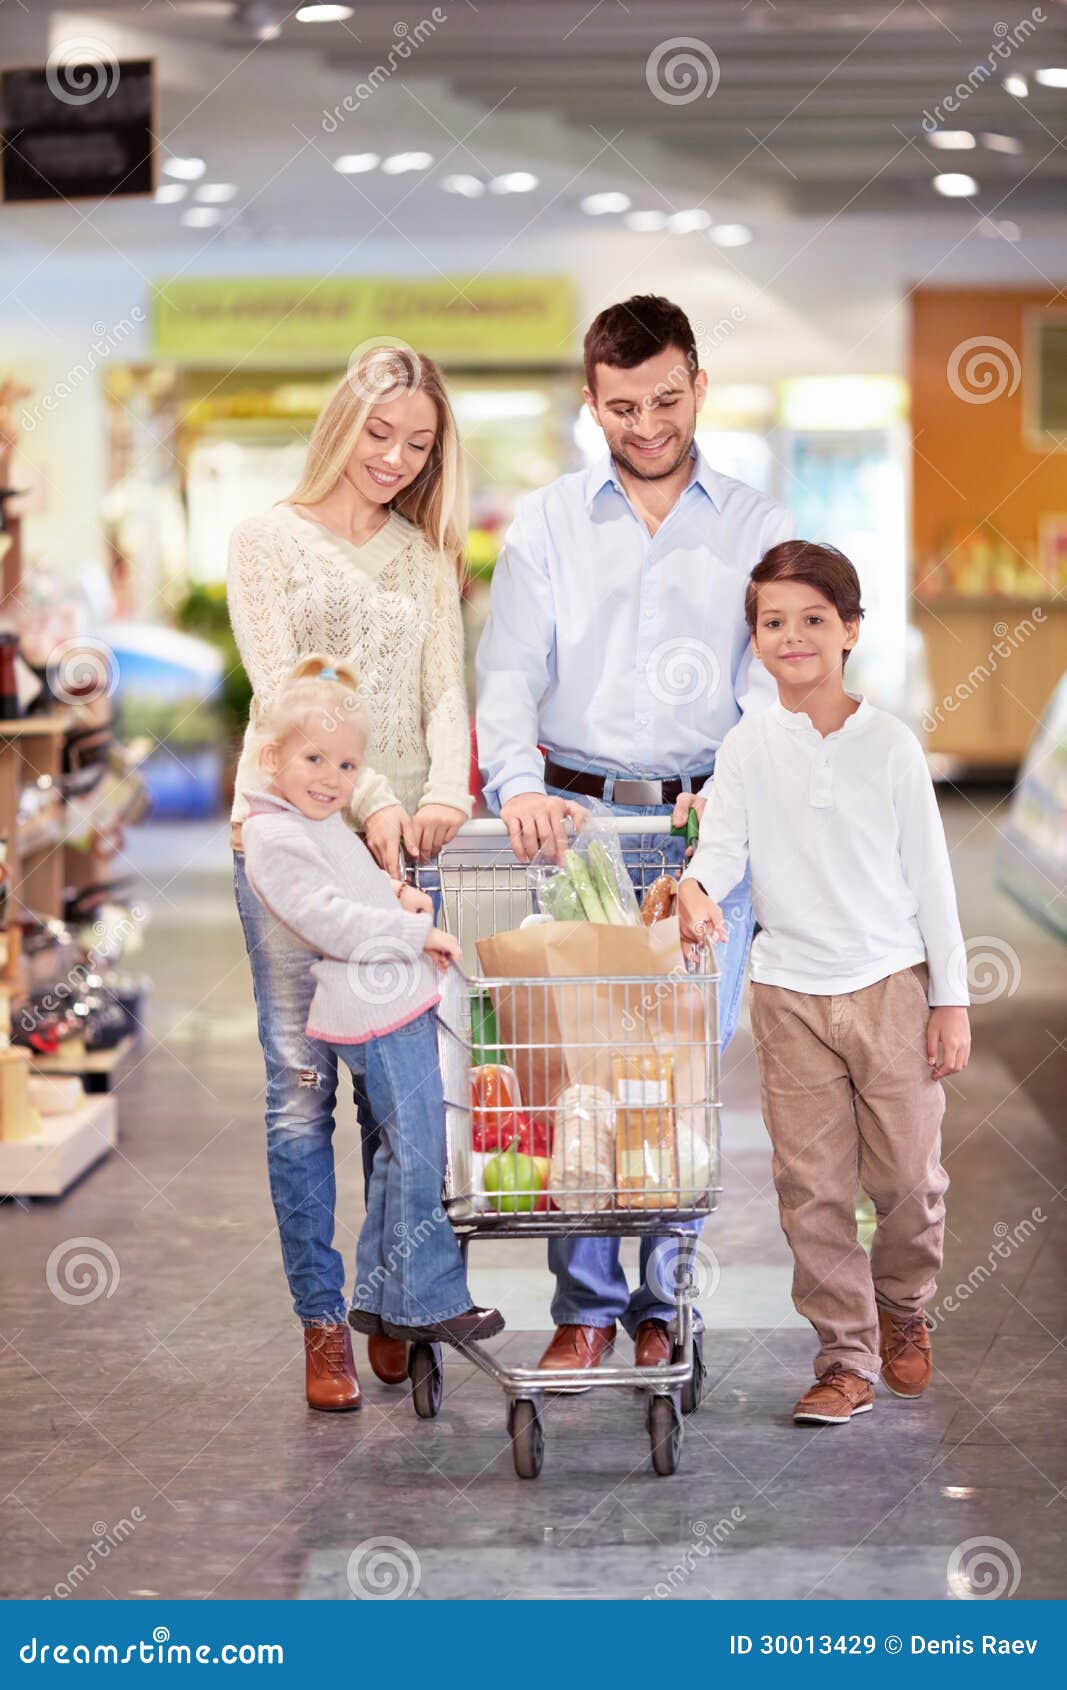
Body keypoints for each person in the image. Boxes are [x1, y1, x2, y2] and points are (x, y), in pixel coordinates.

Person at [476, 295, 795, 1385]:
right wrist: (516, 785)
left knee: (675, 1080)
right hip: (579, 832)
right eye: (621, 406)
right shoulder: (549, 523)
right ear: (589, 403)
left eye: (665, 399)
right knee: (577, 1075)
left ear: (698, 386)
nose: (646, 423)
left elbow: (775, 685)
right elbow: (508, 677)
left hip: (703, 833)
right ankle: (583, 1311)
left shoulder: (754, 525)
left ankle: (663, 1305)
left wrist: (731, 815)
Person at [678, 540, 971, 1425]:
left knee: (909, 1183)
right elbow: (722, 848)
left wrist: (949, 996)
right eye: (773, 622)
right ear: (754, 639)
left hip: (890, 986)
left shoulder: (889, 746)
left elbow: (931, 876)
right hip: (787, 992)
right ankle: (843, 1358)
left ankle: (904, 1310)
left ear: (849, 631)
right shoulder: (744, 745)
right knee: (811, 1189)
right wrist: (693, 886)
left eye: (812, 620)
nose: (792, 637)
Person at [229, 347, 472, 1398]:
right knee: (299, 1088)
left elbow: (443, 693)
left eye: (417, 444)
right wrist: (373, 802)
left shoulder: (424, 555)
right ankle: (321, 1319)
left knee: (398, 1092)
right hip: (294, 836)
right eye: (379, 433)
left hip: (399, 853)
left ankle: (391, 1288)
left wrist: (443, 799)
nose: (393, 457)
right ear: (342, 422)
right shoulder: (265, 541)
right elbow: (292, 703)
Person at [241, 655, 504, 1411]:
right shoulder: (273, 835)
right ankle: (421, 1302)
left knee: (405, 1148)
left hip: (386, 1002)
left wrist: (388, 889)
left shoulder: (313, 821)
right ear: (271, 757)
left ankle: (387, 1298)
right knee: (417, 1147)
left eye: (347, 764)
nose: (330, 777)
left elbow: (345, 888)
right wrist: (408, 933)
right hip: (372, 1007)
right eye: (313, 759)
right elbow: (325, 919)